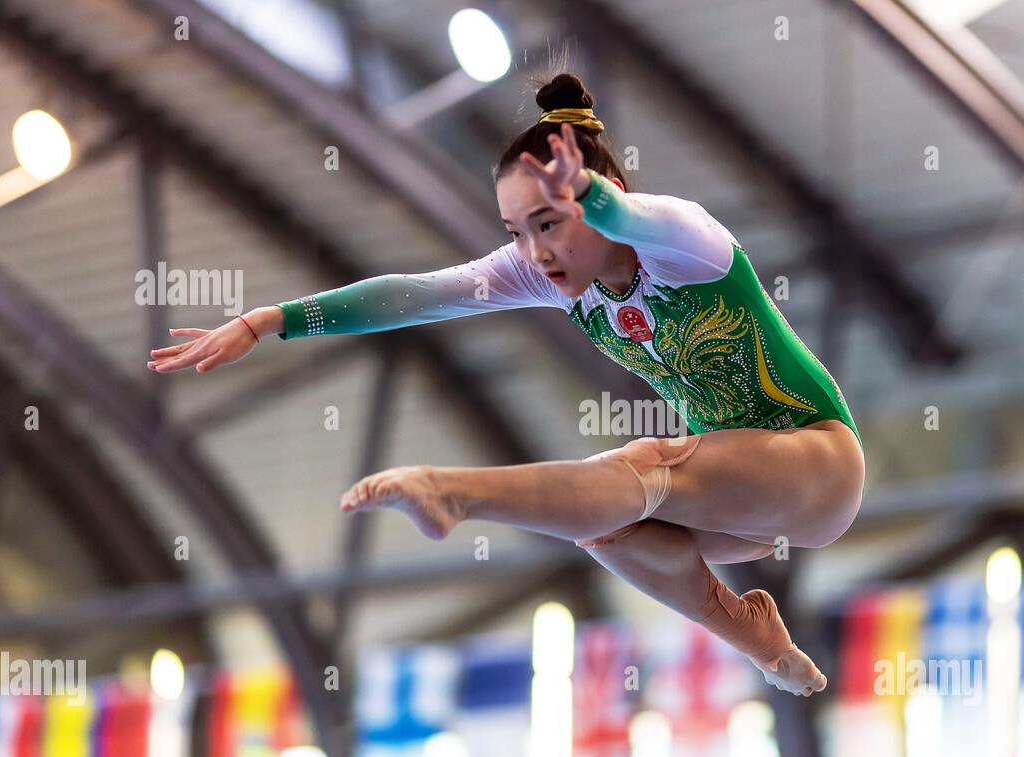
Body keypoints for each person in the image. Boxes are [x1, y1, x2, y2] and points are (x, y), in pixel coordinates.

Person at [148, 73, 865, 696]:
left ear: (599, 193)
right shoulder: (545, 271)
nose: (534, 251)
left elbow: (630, 216)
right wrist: (271, 318)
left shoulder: (686, 246)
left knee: (641, 464)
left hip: (818, 464)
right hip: (734, 506)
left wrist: (590, 195)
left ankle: (458, 490)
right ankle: (750, 631)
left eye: (549, 222)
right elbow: (416, 294)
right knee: (601, 522)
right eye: (517, 230)